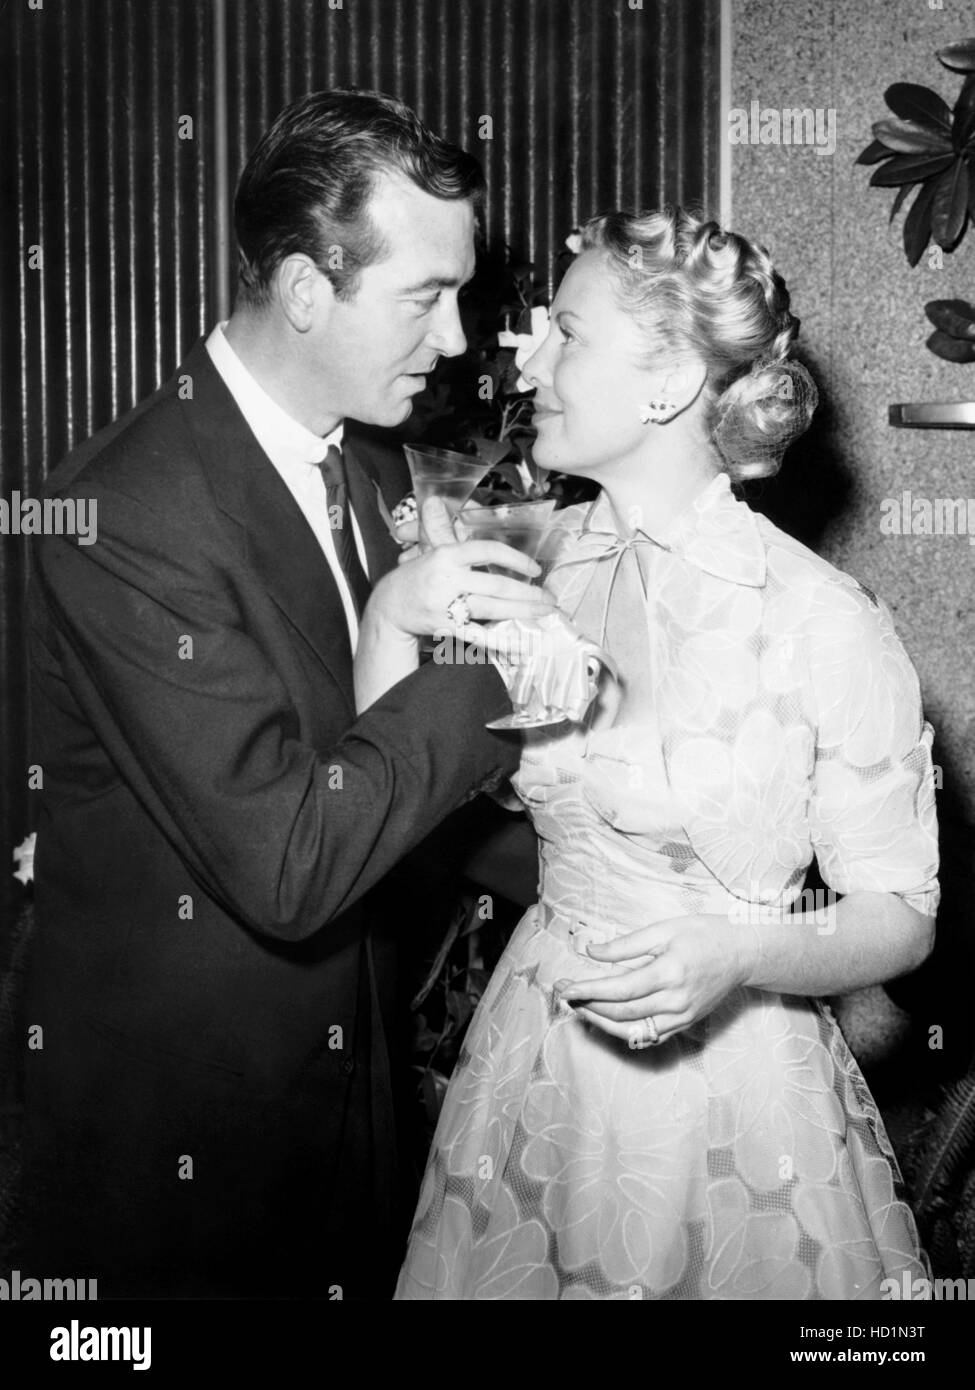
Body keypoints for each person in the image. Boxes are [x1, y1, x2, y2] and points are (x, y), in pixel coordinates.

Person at [21, 88, 555, 1300]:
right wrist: (502, 674)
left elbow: (379, 772)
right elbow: (291, 856)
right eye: (427, 296)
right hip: (183, 1127)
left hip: (351, 1076)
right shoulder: (123, 512)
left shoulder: (365, 458)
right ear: (307, 290)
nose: (461, 340)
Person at [384, 207, 941, 1300]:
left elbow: (904, 914)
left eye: (567, 333)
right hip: (534, 1064)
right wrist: (390, 620)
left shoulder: (822, 620)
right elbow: (411, 814)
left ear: (668, 382)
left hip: (727, 1103)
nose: (525, 354)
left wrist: (737, 953)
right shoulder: (534, 571)